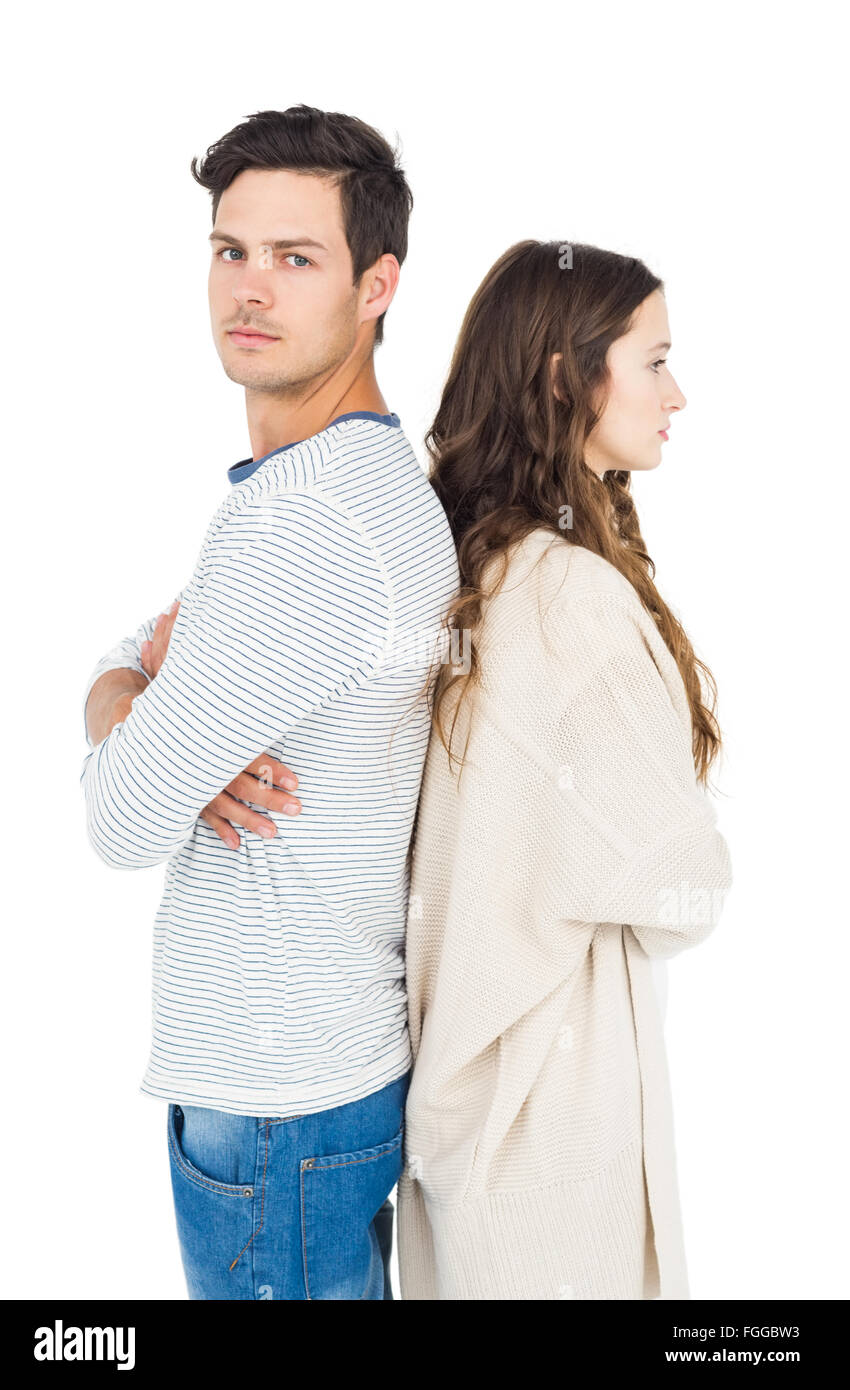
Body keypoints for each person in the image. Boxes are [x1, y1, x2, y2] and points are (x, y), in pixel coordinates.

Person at [80, 105, 459, 1300]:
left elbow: (122, 822)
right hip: (313, 1070)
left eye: (295, 258)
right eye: (229, 249)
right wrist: (135, 695)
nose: (249, 288)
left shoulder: (304, 524)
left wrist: (140, 723)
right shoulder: (330, 480)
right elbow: (136, 651)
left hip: (270, 1094)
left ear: (374, 284)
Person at [395, 240, 734, 1300]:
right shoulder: (566, 597)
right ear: (561, 376)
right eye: (654, 360)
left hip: (471, 1107)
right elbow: (683, 882)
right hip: (547, 1121)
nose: (677, 393)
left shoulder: (465, 560)